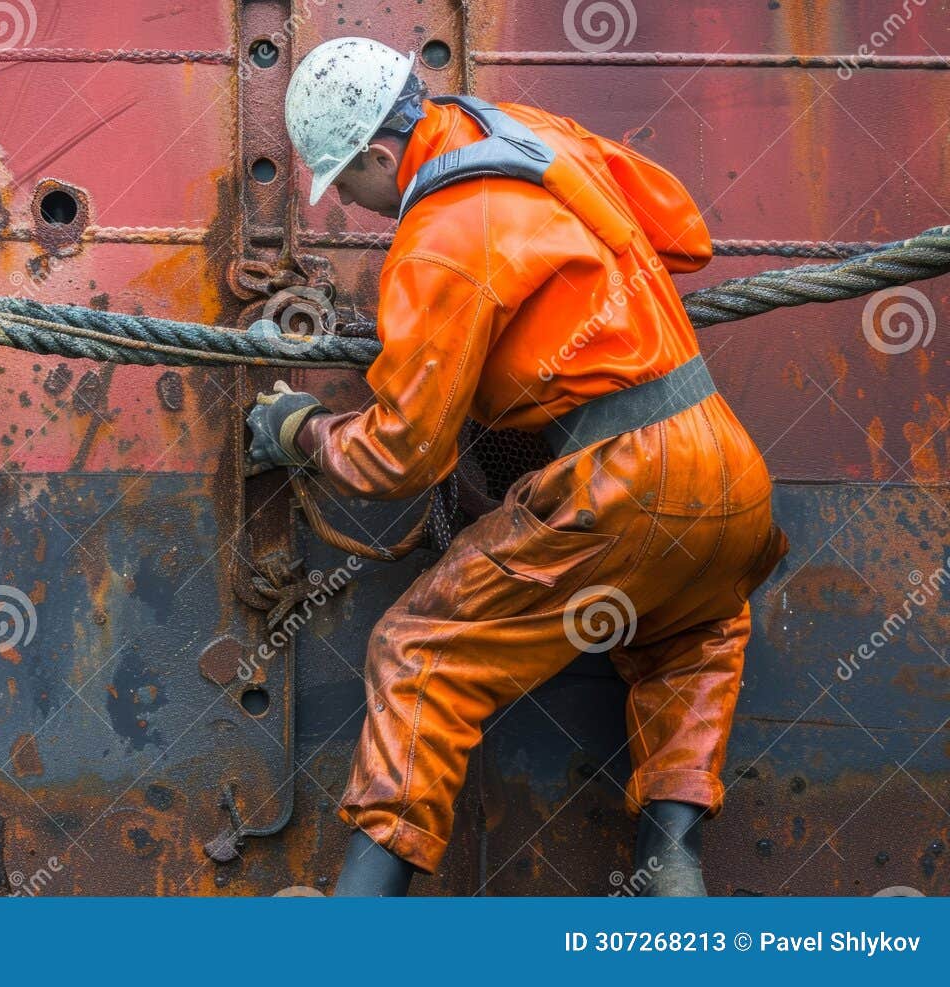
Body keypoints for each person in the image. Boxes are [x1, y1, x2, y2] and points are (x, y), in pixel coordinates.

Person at [246, 37, 788, 896]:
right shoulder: (532, 135)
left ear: (383, 157)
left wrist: (300, 428)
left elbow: (399, 453)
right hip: (726, 464)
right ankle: (670, 867)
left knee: (421, 650)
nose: (354, 208)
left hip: (622, 480)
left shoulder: (436, 238)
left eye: (348, 187)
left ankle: (357, 913)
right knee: (691, 636)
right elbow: (686, 238)